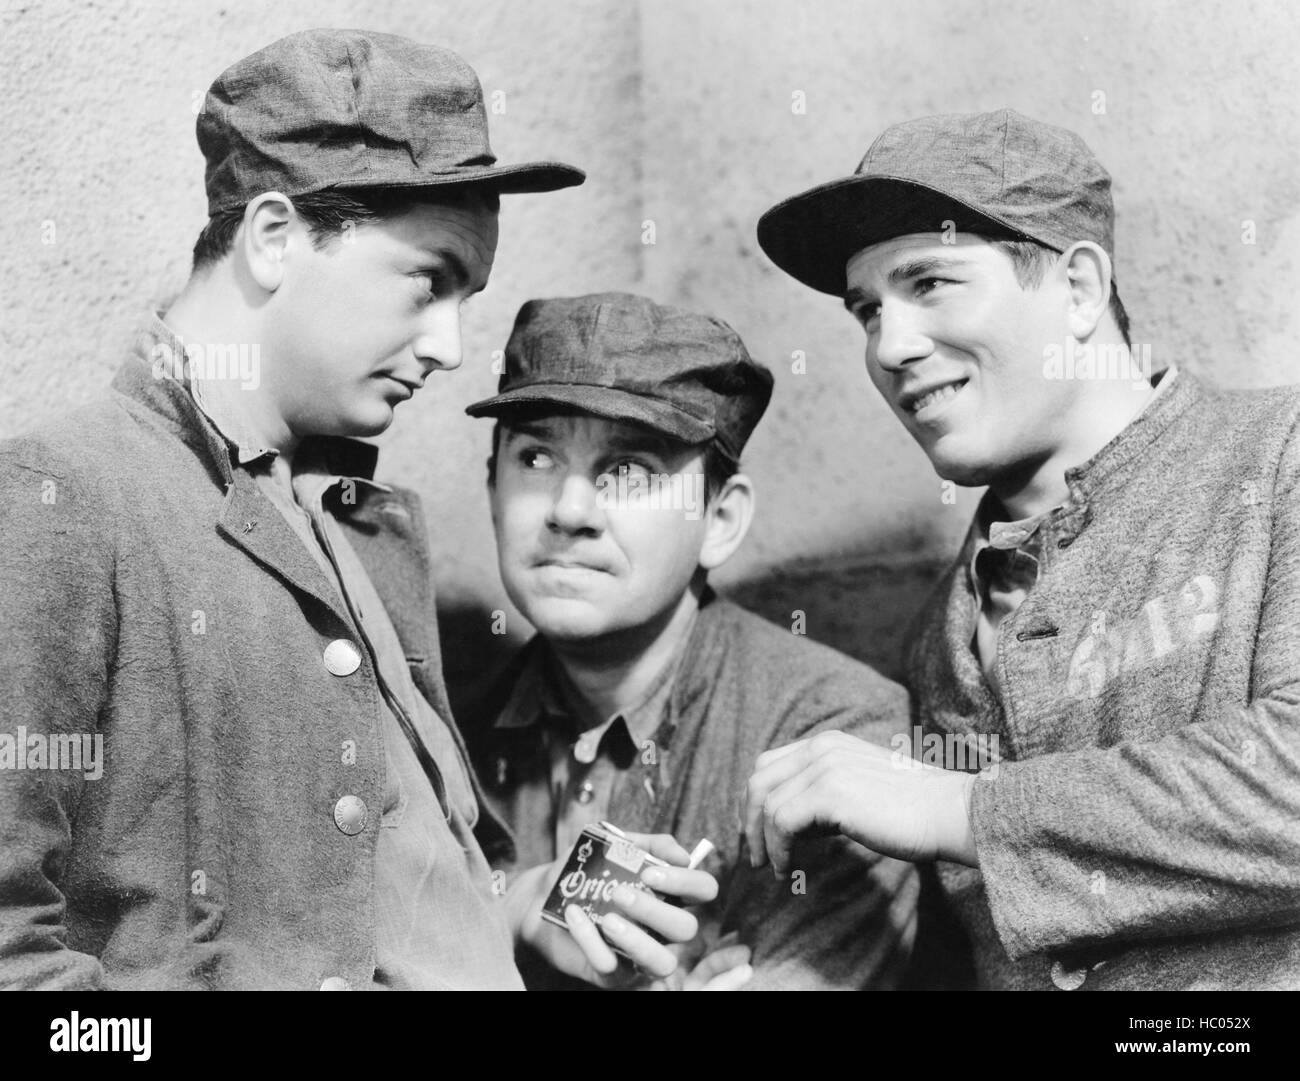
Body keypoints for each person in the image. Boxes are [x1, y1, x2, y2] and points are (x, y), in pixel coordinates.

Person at [0, 29, 716, 991]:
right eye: (429, 281)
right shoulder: (65, 500)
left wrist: (516, 904)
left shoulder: (348, 525)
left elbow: (366, 897)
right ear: (274, 237)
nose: (452, 346)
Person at [746, 108, 1300, 990]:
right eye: (866, 311)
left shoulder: (1279, 459)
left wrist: (964, 809)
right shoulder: (940, 638)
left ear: (1079, 288)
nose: (890, 345)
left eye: (929, 283)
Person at [461, 291, 919, 990]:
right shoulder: (442, 737)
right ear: (491, 486)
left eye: (630, 471)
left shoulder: (837, 731)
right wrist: (510, 907)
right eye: (537, 459)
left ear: (720, 520)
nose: (571, 510)